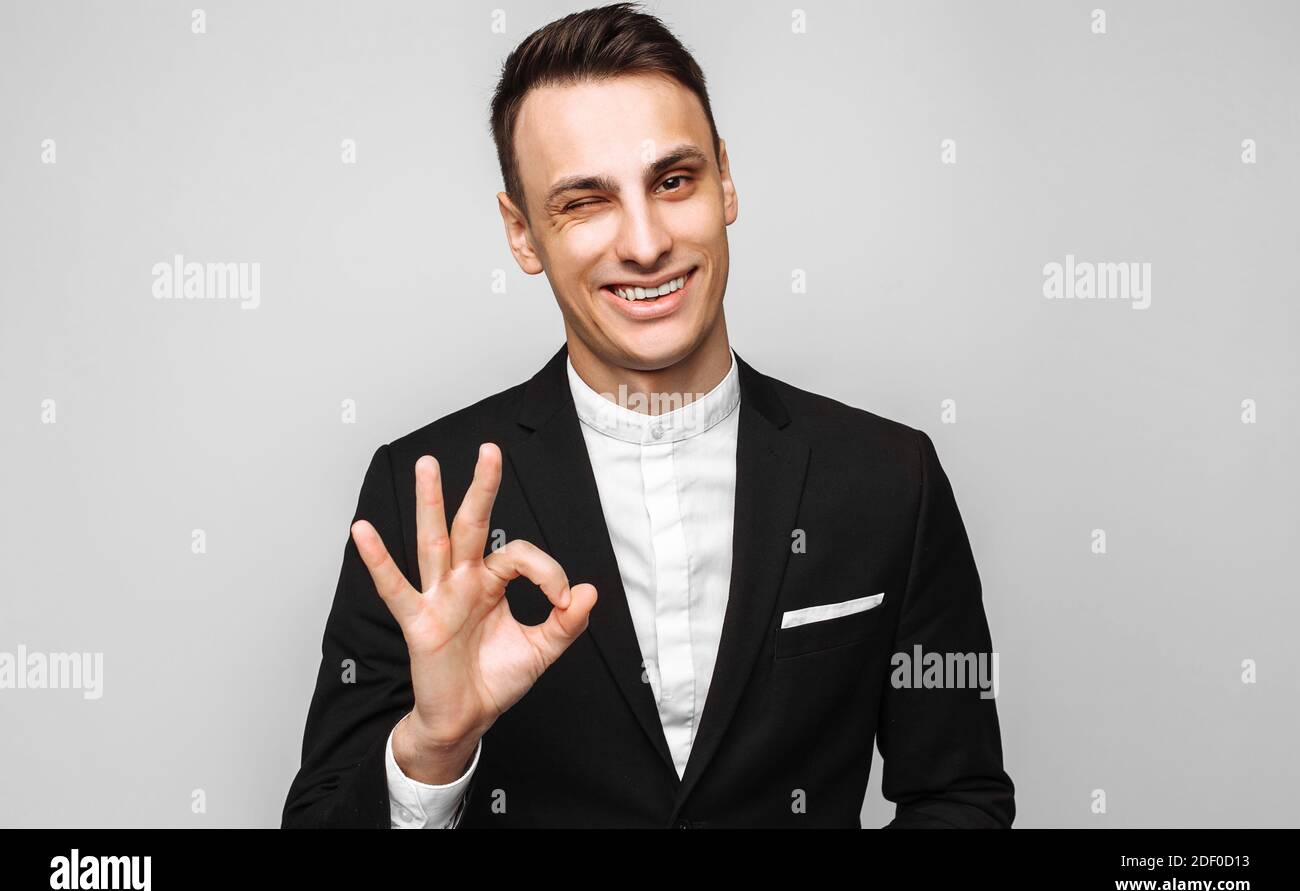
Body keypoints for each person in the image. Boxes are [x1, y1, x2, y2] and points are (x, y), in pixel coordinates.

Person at [282, 2, 1014, 828]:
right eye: (585, 202)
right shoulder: (425, 498)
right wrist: (433, 747)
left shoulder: (891, 477)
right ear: (523, 235)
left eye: (673, 181)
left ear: (725, 180)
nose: (644, 242)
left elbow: (960, 797)